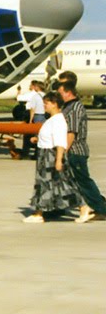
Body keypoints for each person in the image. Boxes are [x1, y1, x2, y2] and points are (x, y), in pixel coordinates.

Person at [23, 92, 88, 223]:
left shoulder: (58, 120)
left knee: (55, 183)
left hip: (51, 155)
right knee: (49, 184)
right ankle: (40, 212)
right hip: (44, 154)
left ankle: (83, 207)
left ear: (54, 104)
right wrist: (37, 139)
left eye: (46, 103)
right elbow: (50, 137)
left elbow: (60, 142)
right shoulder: (51, 120)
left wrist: (58, 160)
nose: (44, 106)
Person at [59, 79, 106, 220]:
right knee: (73, 181)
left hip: (76, 150)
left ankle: (101, 208)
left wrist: (64, 151)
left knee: (83, 181)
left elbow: (72, 132)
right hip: (73, 150)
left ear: (68, 93)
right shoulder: (68, 106)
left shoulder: (75, 108)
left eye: (61, 93)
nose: (59, 96)